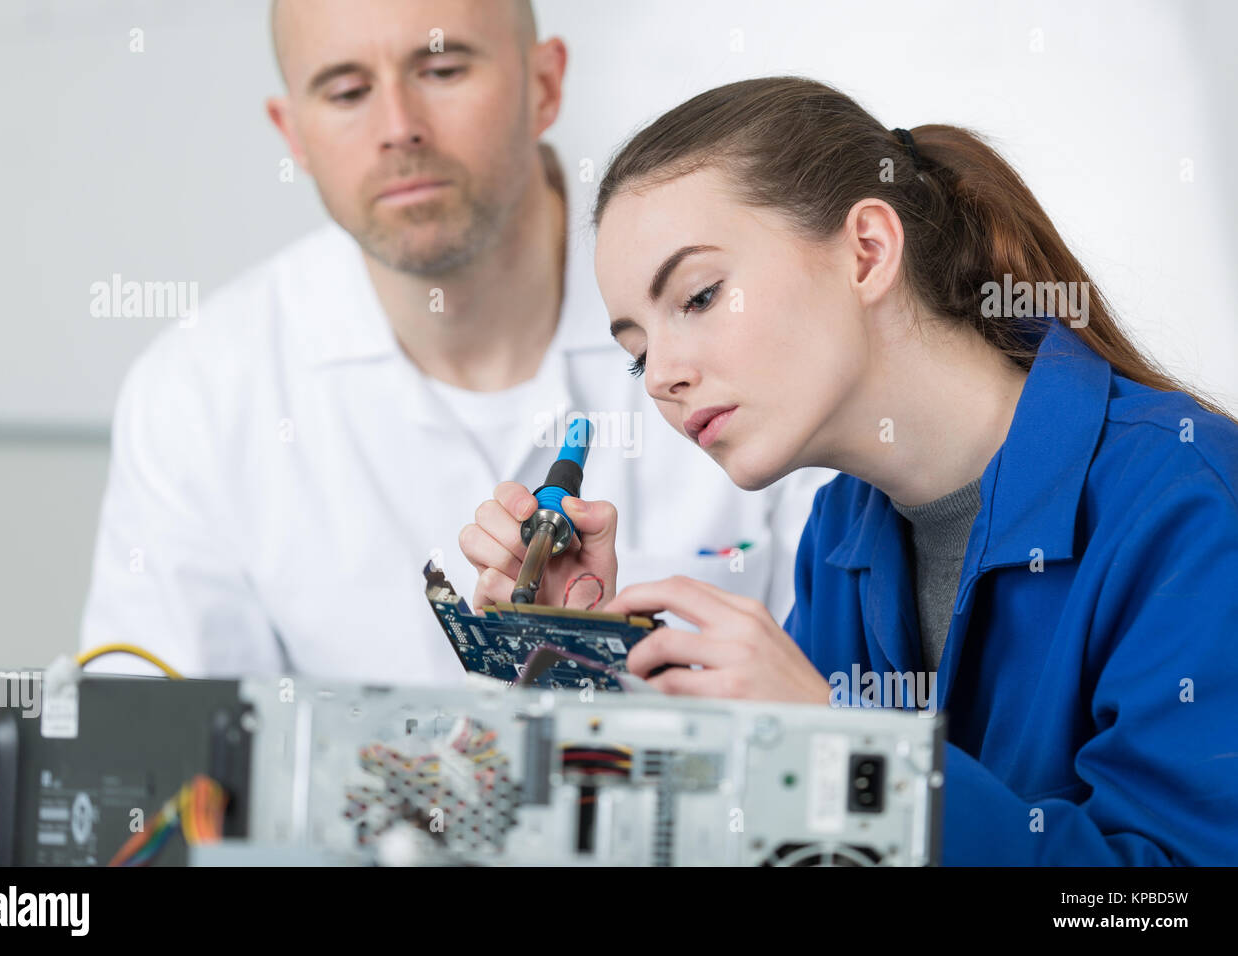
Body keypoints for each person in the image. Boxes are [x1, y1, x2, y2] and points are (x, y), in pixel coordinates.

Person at [463, 75, 1238, 865]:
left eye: (698, 297)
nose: (661, 374)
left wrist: (849, 750)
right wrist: (578, 657)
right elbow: (774, 845)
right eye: (637, 356)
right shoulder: (844, 534)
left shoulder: (1191, 504)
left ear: (867, 250)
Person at [77, 3, 828, 683]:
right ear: (292, 134)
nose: (398, 125)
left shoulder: (747, 324)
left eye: (441, 69)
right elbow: (168, 752)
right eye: (345, 91)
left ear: (544, 85)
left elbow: (848, 737)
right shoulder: (200, 392)